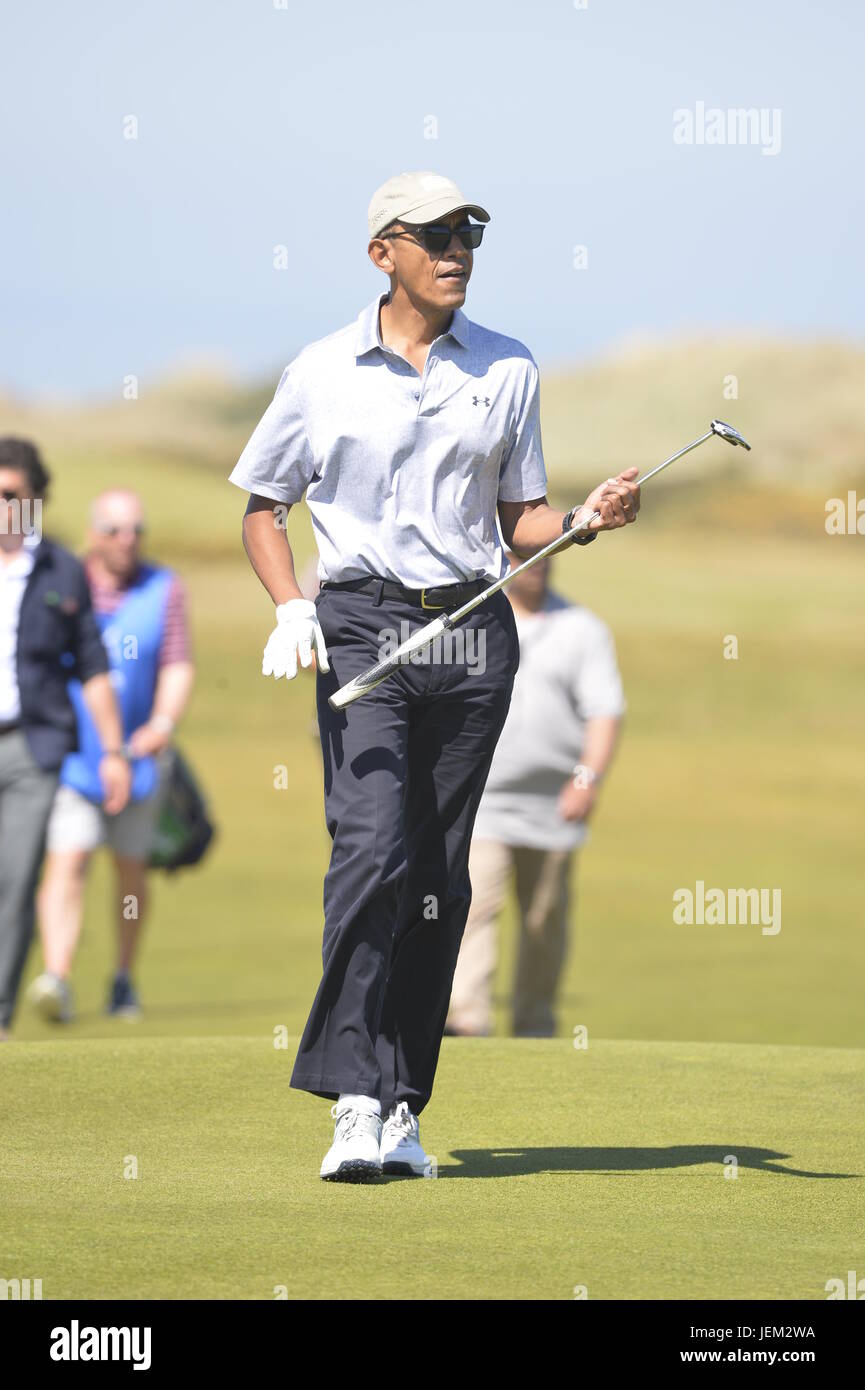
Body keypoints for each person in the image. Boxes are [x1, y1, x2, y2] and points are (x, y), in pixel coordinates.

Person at [229, 171, 641, 1181]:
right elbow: (260, 505)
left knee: (436, 873)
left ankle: (402, 1101)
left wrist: (580, 522)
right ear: (384, 253)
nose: (457, 249)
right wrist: (291, 604)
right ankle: (351, 1095)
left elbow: (520, 524)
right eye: (435, 235)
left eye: (469, 233)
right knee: (370, 848)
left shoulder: (506, 367)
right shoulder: (320, 370)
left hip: (469, 629)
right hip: (362, 622)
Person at [28, 490, 195, 1023]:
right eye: (116, 530)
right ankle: (57, 975)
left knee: (130, 870)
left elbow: (176, 663)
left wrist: (162, 725)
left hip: (140, 756)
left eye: (136, 531)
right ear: (94, 533)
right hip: (73, 756)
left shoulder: (163, 588)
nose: (128, 541)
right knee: (69, 858)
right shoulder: (62, 582)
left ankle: (123, 979)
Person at [446, 550, 625, 1038]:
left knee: (543, 920)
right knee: (473, 907)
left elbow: (604, 712)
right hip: (482, 800)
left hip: (554, 806)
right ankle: (467, 1019)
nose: (537, 565)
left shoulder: (582, 630)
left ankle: (534, 1024)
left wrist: (587, 779)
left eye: (543, 556)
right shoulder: (474, 623)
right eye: (522, 557)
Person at [0, 440, 130, 1040]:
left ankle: (0, 1019)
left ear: (36, 501)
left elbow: (93, 667)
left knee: (17, 879)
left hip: (33, 746)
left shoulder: (61, 571)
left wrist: (112, 751)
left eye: (10, 496)